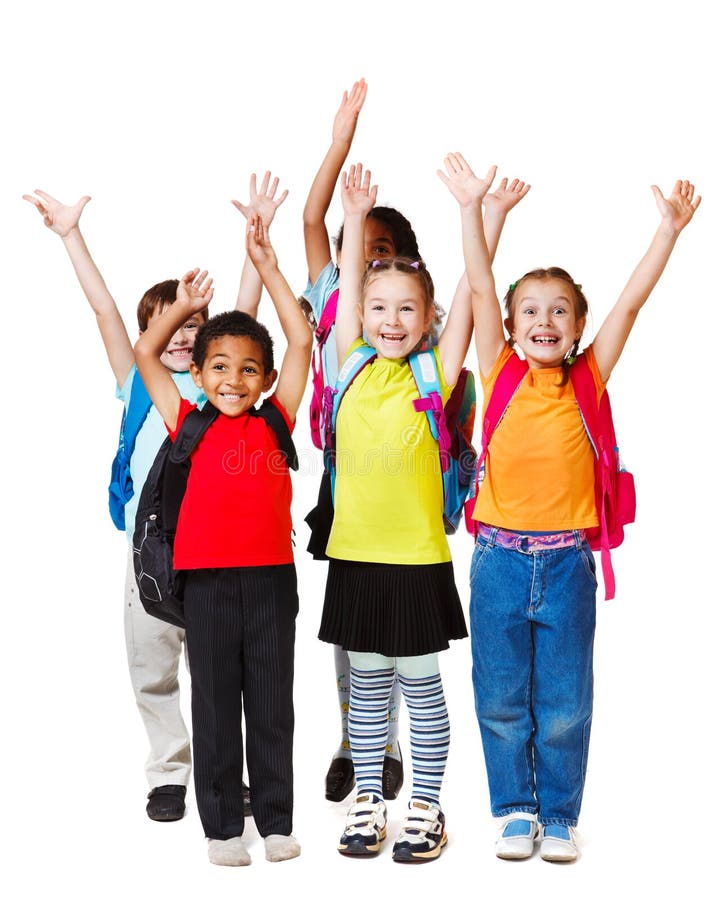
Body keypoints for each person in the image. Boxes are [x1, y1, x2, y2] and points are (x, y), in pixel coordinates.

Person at [439, 151, 700, 863]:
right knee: (498, 695)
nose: (542, 320)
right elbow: (483, 289)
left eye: (559, 311)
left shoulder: (589, 374)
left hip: (566, 564)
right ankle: (515, 810)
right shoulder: (496, 371)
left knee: (563, 700)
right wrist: (472, 211)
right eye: (531, 310)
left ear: (578, 327)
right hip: (496, 560)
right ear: (514, 325)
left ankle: (558, 814)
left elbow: (630, 304)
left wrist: (667, 234)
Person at [23, 179, 285, 822]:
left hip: (216, 554)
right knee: (153, 666)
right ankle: (169, 770)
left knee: (223, 672)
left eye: (194, 325)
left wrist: (254, 241)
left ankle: (229, 776)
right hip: (151, 553)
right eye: (168, 322)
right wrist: (70, 235)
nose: (181, 336)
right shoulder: (142, 386)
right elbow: (108, 313)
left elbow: (243, 318)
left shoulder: (212, 388)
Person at [301, 79, 527, 805]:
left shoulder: (436, 369)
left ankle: (425, 805)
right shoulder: (348, 364)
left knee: (421, 689)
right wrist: (356, 214)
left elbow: (473, 294)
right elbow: (343, 280)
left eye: (407, 309)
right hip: (356, 555)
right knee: (364, 690)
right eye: (377, 307)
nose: (391, 320)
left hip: (417, 557)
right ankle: (370, 798)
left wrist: (478, 214)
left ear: (425, 316)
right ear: (356, 312)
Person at [134, 208, 312, 867]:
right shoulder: (186, 420)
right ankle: (221, 829)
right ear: (200, 375)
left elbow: (300, 344)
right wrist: (182, 307)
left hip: (271, 581)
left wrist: (267, 264)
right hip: (205, 584)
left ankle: (275, 822)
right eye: (218, 367)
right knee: (214, 708)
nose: (233, 380)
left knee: (270, 705)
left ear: (264, 379)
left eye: (247, 369)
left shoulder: (275, 421)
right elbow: (146, 353)